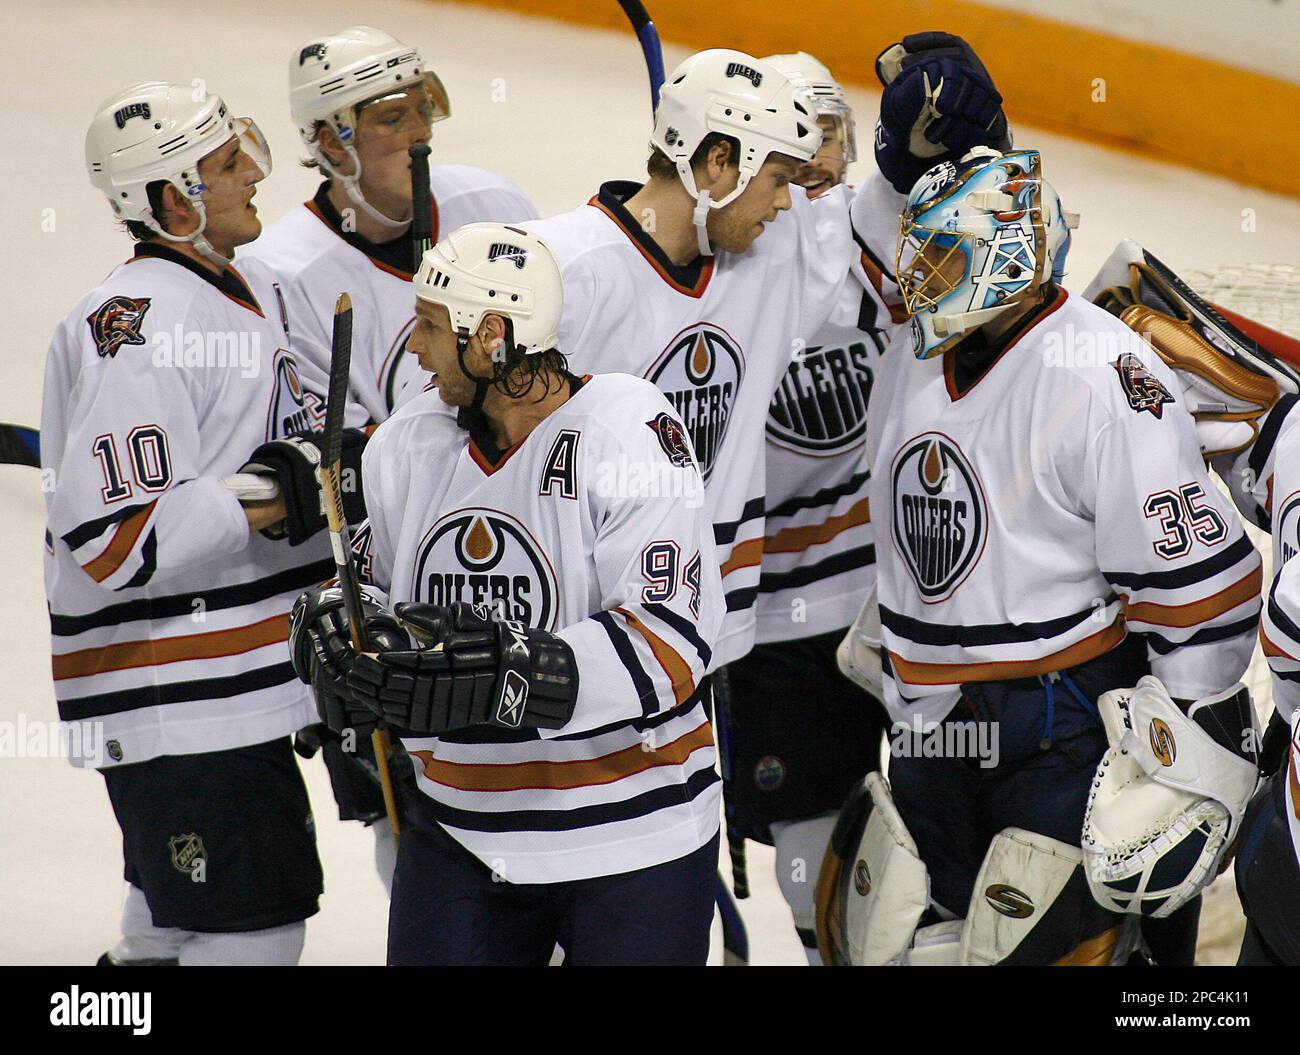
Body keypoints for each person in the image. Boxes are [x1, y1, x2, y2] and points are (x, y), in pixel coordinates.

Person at [822, 147, 1263, 965]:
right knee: (919, 947)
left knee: (1054, 953)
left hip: (1057, 728)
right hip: (932, 728)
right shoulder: (918, 360)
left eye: (942, 254)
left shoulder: (1103, 377)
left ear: (1009, 261)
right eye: (919, 251)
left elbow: (1202, 591)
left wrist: (1177, 748)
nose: (916, 275)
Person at [291, 223, 725, 965]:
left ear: (492, 335)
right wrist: (333, 635)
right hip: (463, 830)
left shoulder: (630, 428)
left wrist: (501, 678)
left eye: (431, 325)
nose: (417, 349)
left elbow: (672, 640)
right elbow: (360, 587)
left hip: (632, 834)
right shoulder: (407, 444)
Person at [718, 41, 1012, 963]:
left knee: (951, 851)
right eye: (794, 153)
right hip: (777, 627)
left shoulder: (882, 232)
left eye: (833, 140)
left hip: (906, 598)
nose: (820, 167)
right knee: (826, 876)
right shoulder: (724, 281)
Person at [46, 82, 339, 966]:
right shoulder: (131, 329)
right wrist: (277, 493)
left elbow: (330, 432)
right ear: (174, 200)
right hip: (177, 697)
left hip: (235, 692)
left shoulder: (264, 289)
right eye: (224, 166)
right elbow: (115, 539)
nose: (254, 174)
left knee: (165, 934)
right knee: (252, 936)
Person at [241, 25, 539, 886]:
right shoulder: (284, 270)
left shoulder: (489, 204)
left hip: (520, 561)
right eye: (391, 117)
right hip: (391, 598)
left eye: (424, 109)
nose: (420, 133)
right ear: (329, 140)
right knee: (412, 828)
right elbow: (316, 456)